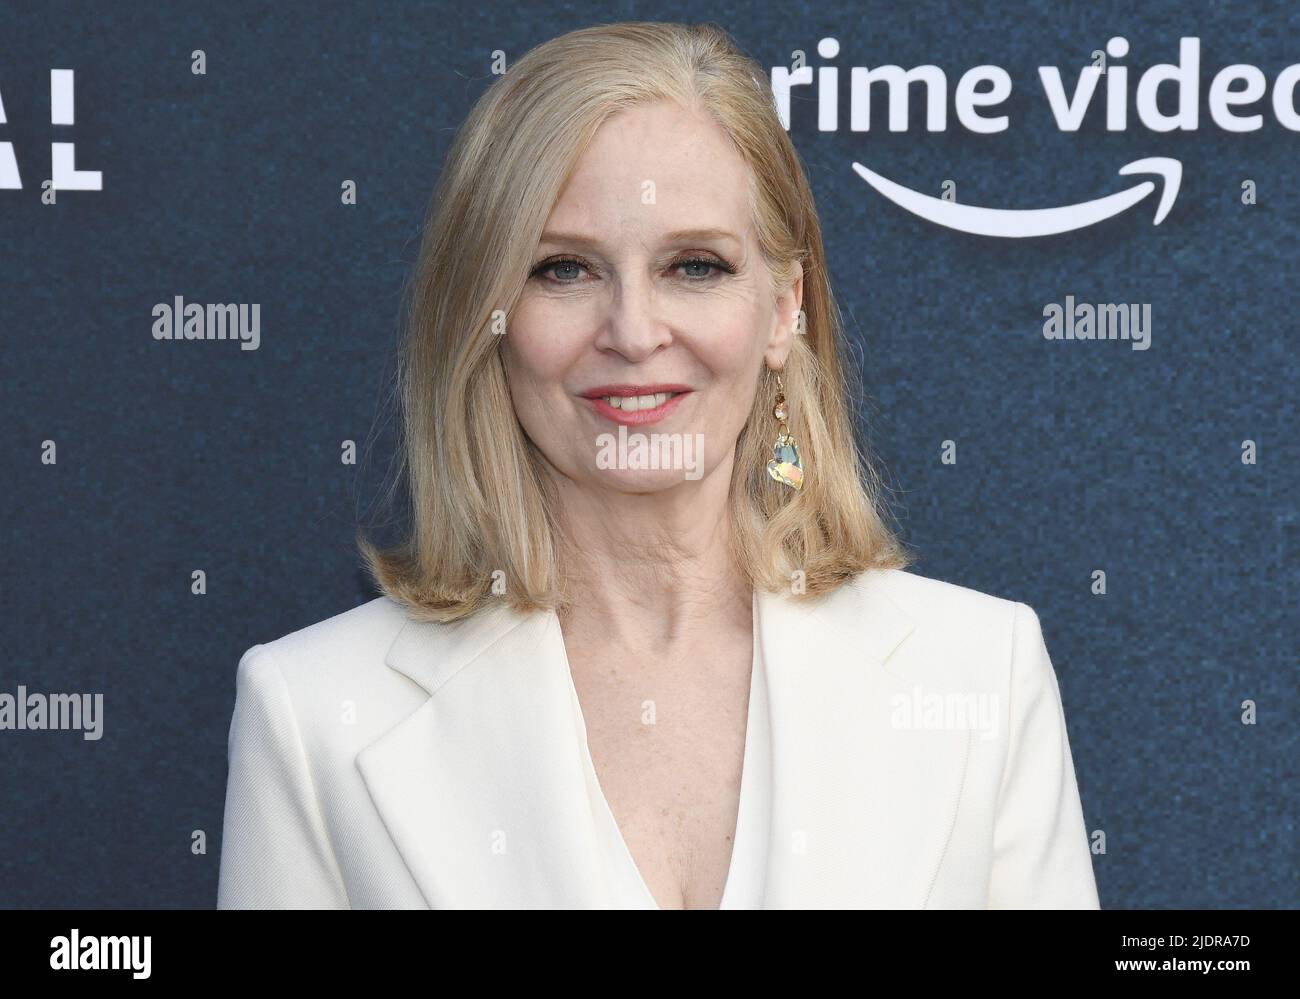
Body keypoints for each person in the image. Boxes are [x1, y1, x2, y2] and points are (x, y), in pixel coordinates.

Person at [216, 20, 1100, 909]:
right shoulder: (312, 711)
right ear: (487, 315)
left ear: (784, 308)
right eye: (563, 270)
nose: (634, 332)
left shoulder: (981, 673)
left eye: (694, 265)